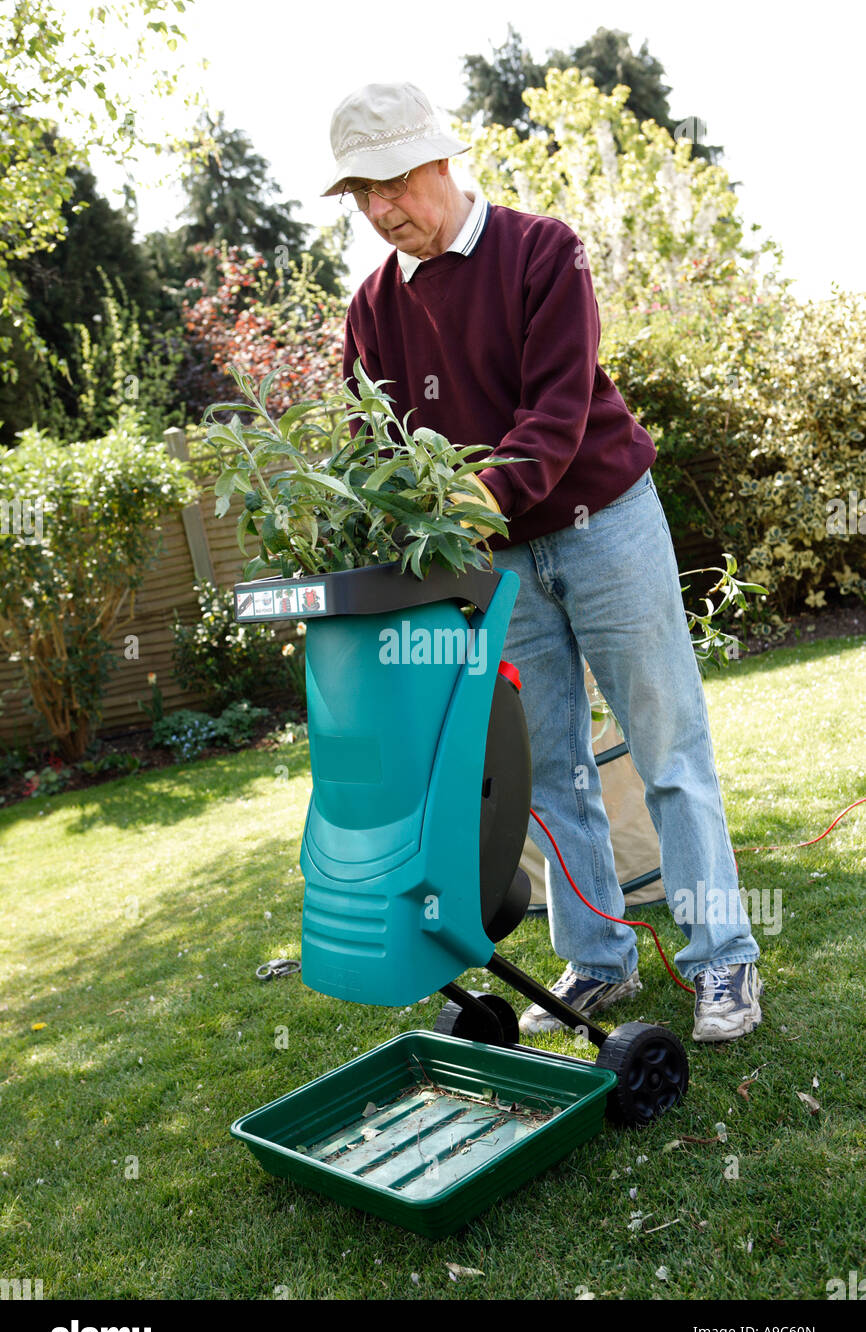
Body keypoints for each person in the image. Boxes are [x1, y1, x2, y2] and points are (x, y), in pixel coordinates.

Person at [321, 80, 763, 1043]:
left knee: (666, 745)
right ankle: (600, 960)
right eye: (361, 194)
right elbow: (375, 450)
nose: (382, 210)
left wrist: (464, 509)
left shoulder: (540, 250)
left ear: (439, 160)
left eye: (393, 183)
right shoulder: (371, 310)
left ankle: (723, 959)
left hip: (604, 522)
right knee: (546, 767)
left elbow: (555, 418)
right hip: (497, 564)